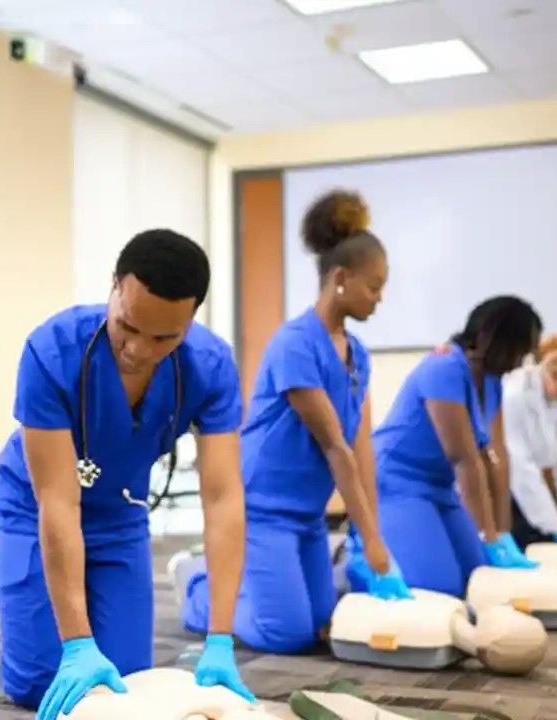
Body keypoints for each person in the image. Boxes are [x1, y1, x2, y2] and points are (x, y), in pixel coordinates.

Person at [0, 230, 253, 720]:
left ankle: (190, 585)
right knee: (41, 685)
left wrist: (220, 636)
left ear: (190, 322)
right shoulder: (52, 350)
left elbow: (222, 498)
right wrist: (76, 643)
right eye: (127, 326)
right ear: (114, 287)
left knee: (126, 684)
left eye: (163, 338)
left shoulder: (209, 366)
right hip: (34, 509)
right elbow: (58, 501)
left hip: (119, 515)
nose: (138, 350)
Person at [171, 190, 411, 656]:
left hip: (306, 515)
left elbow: (362, 451)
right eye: (374, 286)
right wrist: (379, 547)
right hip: (260, 508)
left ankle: (247, 581)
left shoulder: (358, 356)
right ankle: (199, 586)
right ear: (340, 278)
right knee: (286, 635)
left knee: (325, 624)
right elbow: (335, 448)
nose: (380, 299)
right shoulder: (295, 343)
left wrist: (367, 539)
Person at [361, 297, 545, 599]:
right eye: (520, 352)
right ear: (495, 340)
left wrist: (503, 536)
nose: (520, 363)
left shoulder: (492, 382)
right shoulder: (443, 367)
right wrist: (486, 535)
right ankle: (357, 559)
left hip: (438, 486)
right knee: (439, 589)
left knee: (475, 578)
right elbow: (464, 460)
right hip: (395, 481)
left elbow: (496, 458)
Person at [503, 333, 557, 549]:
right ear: (540, 367)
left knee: (549, 542)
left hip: (535, 476)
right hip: (502, 476)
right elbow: (520, 466)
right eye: (556, 374)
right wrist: (554, 525)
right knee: (522, 540)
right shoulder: (515, 393)